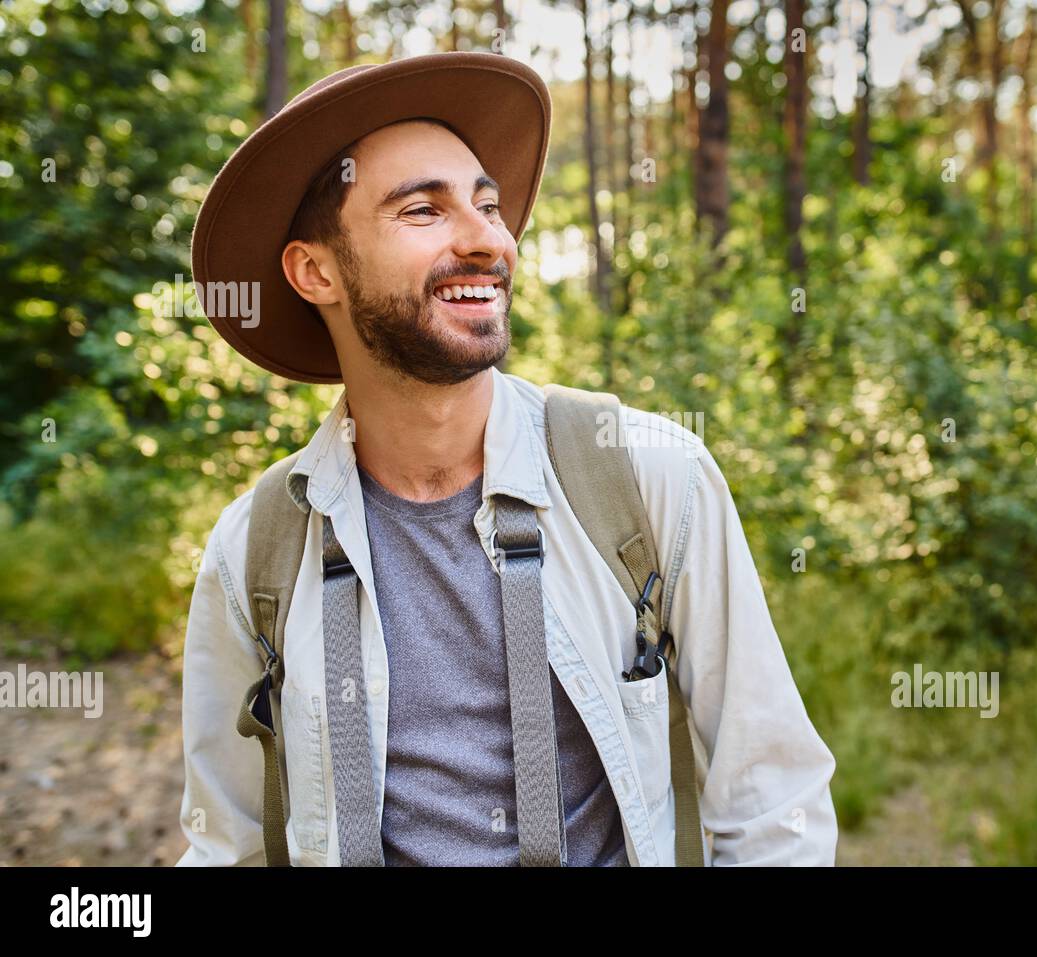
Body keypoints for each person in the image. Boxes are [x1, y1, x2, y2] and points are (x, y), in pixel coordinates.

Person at [177, 52, 836, 866]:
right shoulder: (256, 552)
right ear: (316, 271)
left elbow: (774, 802)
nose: (488, 239)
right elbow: (227, 845)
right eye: (424, 210)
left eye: (488, 206)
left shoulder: (646, 479)